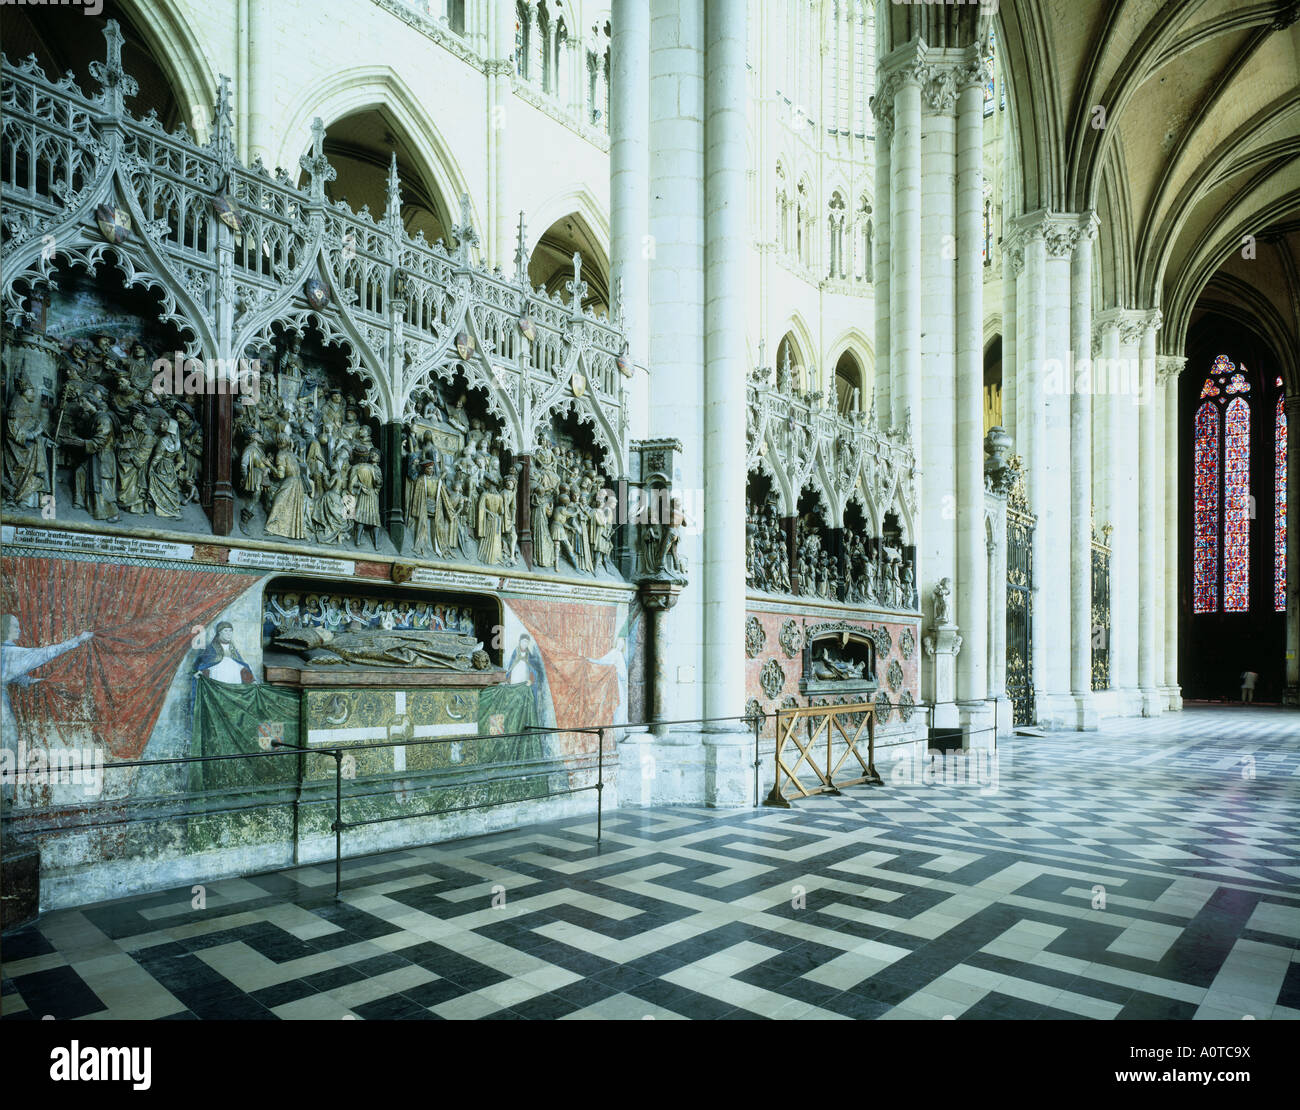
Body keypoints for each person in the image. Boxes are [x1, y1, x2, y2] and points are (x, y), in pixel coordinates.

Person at [1, 616, 94, 770]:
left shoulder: (5, 653)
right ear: (4, 629)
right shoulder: (10, 653)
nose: (19, 630)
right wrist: (78, 639)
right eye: (15, 626)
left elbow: (12, 676)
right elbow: (46, 653)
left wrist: (37, 682)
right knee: (8, 746)